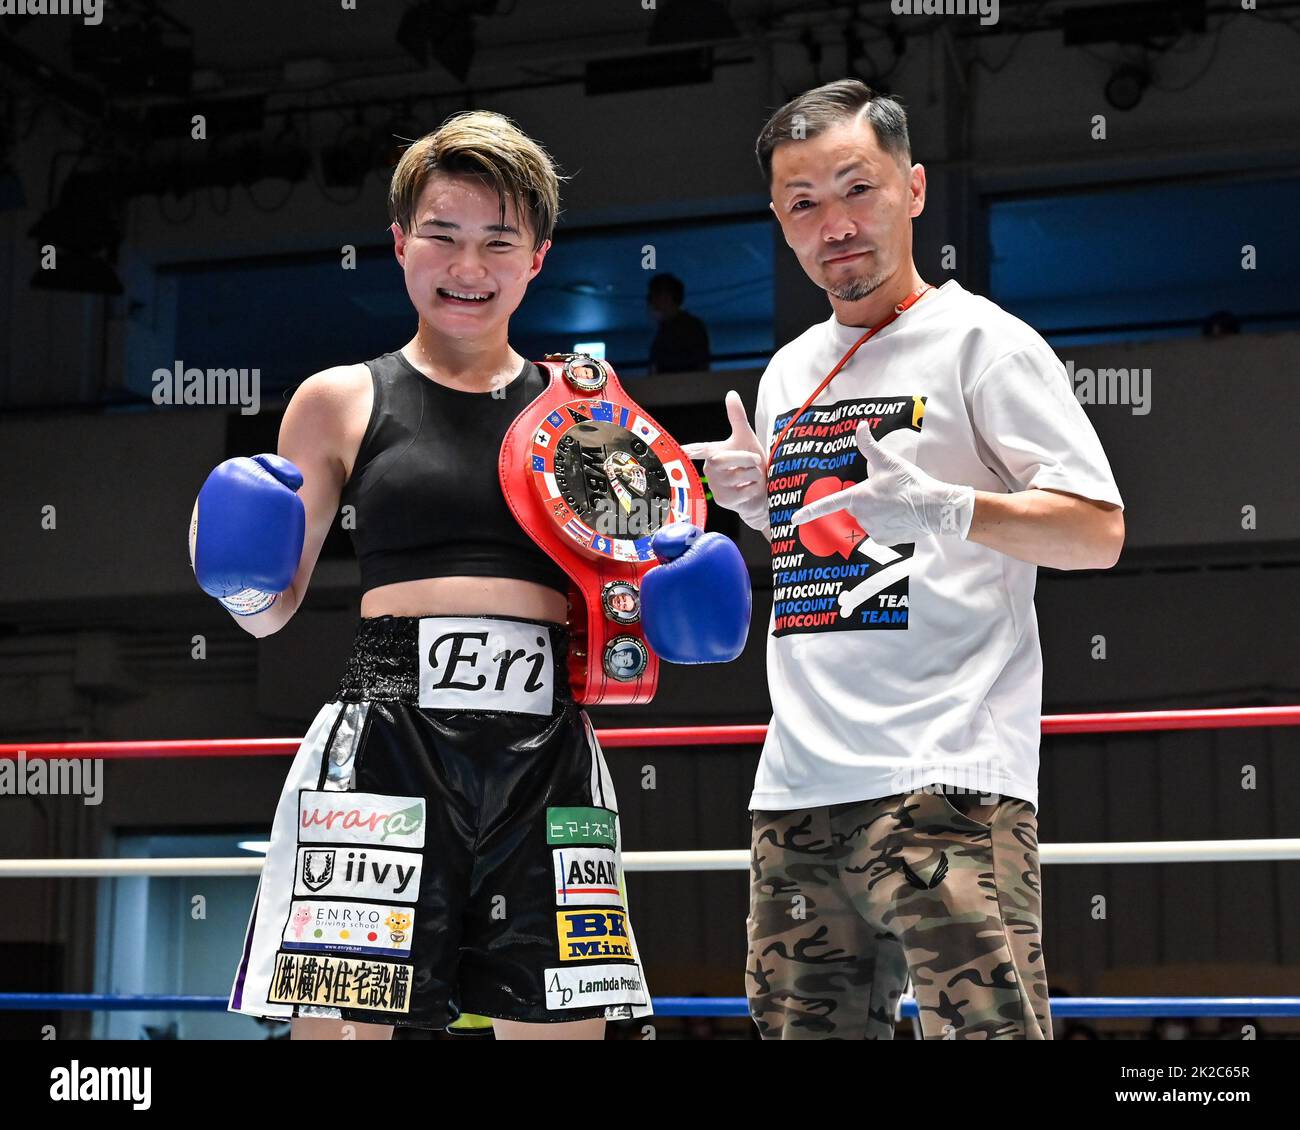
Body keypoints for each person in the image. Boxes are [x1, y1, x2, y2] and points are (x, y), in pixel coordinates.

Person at [195, 110, 656, 1040]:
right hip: (386, 735)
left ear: (537, 258)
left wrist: (683, 592)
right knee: (355, 1030)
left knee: (563, 1024)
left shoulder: (592, 416)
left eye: (498, 241)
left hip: (548, 747)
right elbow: (268, 617)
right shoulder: (339, 398)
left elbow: (631, 616)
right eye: (443, 236)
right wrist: (236, 575)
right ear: (401, 245)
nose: (468, 268)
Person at [685, 79, 1126, 1040]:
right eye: (805, 203)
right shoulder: (790, 369)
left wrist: (954, 505)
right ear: (779, 220)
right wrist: (765, 509)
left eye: (859, 188)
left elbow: (1097, 531)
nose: (835, 224)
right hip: (799, 786)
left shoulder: (986, 345)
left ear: (915, 189)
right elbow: (838, 553)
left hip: (951, 778)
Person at [646, 273, 710, 373]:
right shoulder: (665, 329)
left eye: (654, 297)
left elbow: (700, 365)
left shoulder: (690, 327)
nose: (651, 302)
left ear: (667, 298)